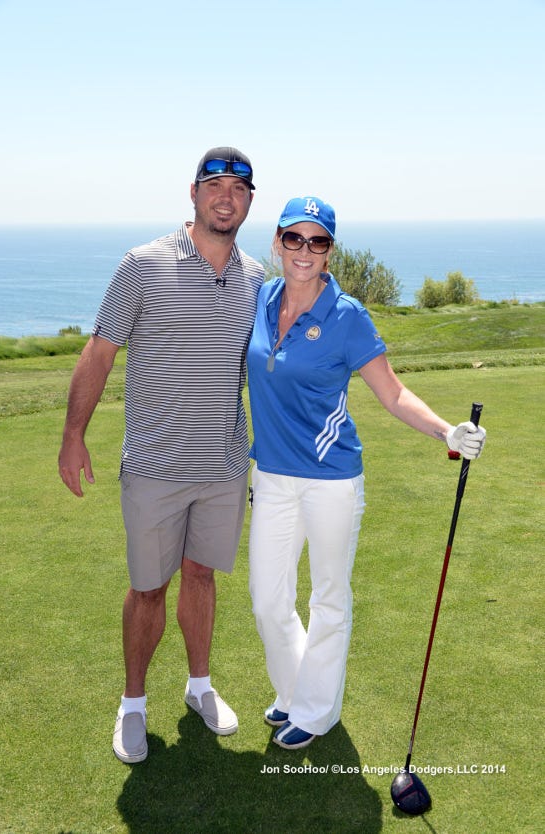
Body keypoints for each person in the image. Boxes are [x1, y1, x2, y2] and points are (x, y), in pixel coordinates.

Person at [246, 195, 486, 751]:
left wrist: (447, 434)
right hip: (273, 476)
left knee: (328, 597)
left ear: (330, 251)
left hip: (331, 480)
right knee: (267, 599)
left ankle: (316, 711)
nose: (304, 251)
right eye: (294, 238)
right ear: (278, 241)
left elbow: (393, 392)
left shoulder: (347, 315)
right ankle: (295, 688)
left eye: (318, 241)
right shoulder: (260, 299)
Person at [58, 146, 263, 763]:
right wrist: (73, 436)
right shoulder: (142, 265)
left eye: (238, 188)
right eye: (215, 184)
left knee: (201, 576)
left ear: (250, 201)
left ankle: (199, 686)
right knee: (149, 587)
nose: (225, 196)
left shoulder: (257, 278)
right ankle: (133, 702)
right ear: (193, 194)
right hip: (154, 465)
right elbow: (99, 351)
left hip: (224, 467)